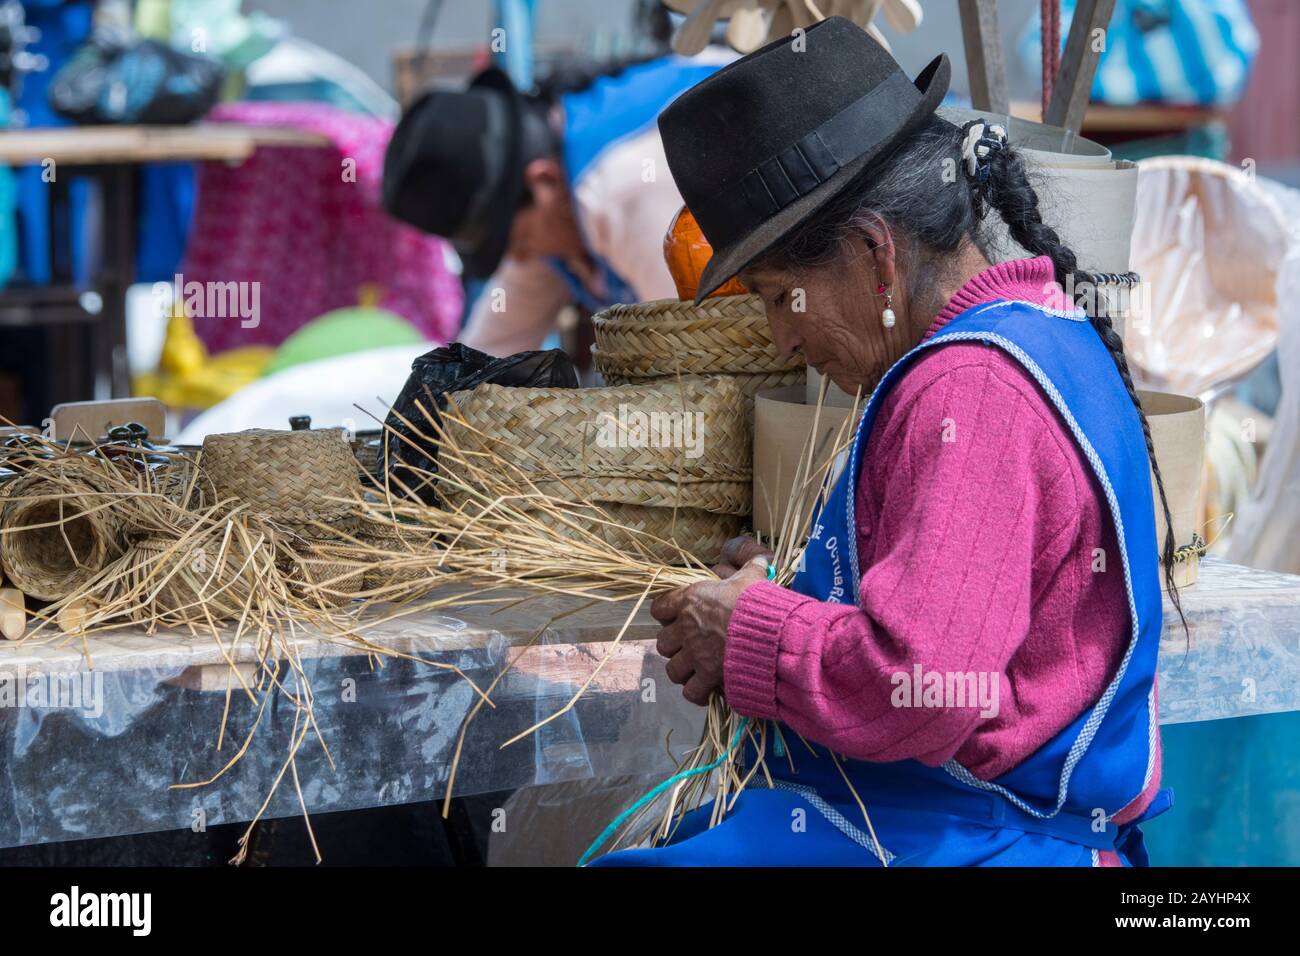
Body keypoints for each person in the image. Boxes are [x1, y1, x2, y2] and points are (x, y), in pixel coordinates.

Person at [592, 16, 1184, 867]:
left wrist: (752, 632)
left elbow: (925, 684)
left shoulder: (969, 387)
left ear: (875, 254)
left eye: (778, 297)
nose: (782, 340)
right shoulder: (1044, 333)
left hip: (967, 839)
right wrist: (792, 591)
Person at [382, 54, 725, 357]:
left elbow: (698, 361)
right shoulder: (556, 207)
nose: (519, 258)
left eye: (517, 241)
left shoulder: (620, 191)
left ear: (542, 180)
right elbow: (486, 354)